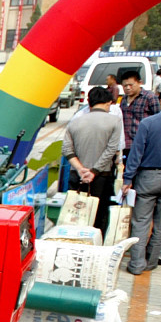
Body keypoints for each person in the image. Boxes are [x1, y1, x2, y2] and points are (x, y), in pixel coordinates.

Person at [122, 85, 161, 275]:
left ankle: (136, 265)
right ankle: (151, 262)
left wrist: (127, 179)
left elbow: (136, 153)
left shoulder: (148, 123)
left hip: (147, 177)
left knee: (140, 222)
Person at [64, 86, 122, 237]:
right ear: (108, 103)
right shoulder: (115, 121)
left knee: (77, 212)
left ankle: (75, 240)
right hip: (101, 176)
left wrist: (81, 169)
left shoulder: (75, 121)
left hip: (77, 176)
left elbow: (67, 150)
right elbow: (111, 150)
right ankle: (95, 243)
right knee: (99, 213)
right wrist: (93, 171)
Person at [120, 69, 160, 166]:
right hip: (128, 144)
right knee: (128, 169)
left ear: (139, 83)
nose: (128, 88)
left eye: (131, 85)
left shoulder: (149, 97)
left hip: (144, 143)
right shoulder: (124, 99)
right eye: (125, 86)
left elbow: (158, 119)